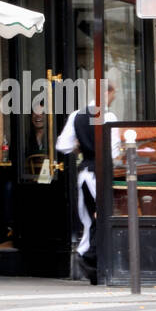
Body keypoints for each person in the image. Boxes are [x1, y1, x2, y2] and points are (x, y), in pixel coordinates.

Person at [56, 79, 118, 284]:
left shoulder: (77, 115)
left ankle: (90, 260)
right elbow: (114, 152)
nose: (114, 97)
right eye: (113, 93)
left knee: (91, 219)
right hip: (100, 174)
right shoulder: (109, 116)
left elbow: (62, 145)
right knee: (102, 216)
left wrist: (79, 146)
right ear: (108, 92)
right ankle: (89, 259)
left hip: (84, 173)